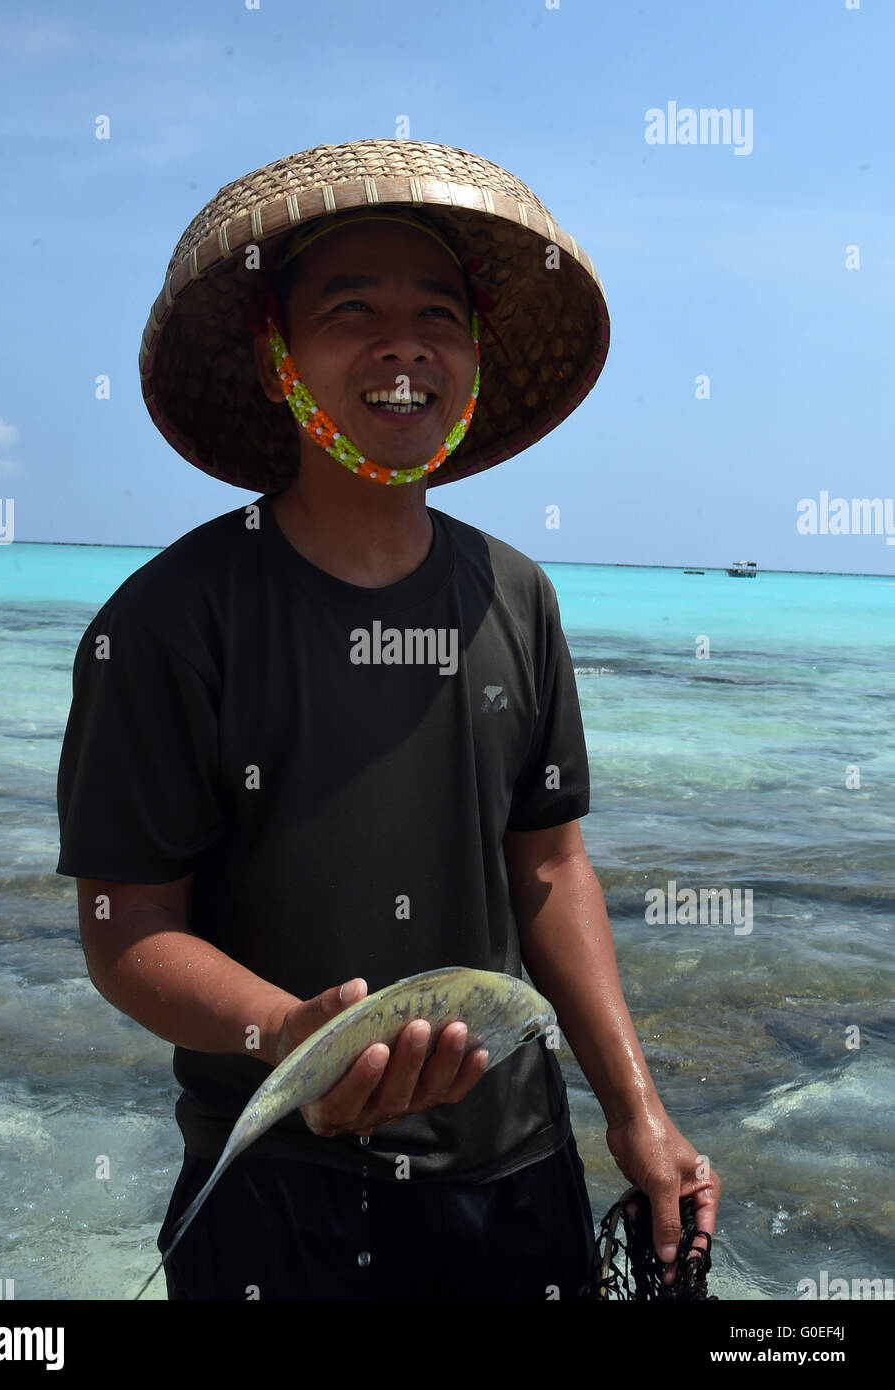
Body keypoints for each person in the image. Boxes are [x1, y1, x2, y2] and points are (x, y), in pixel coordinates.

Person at [55, 138, 720, 1300]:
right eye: (350, 309)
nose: (403, 344)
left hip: (519, 1177)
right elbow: (124, 923)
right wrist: (291, 1036)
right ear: (276, 359)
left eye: (438, 315)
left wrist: (637, 1110)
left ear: (473, 359)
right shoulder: (169, 619)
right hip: (277, 1188)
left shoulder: (516, 595)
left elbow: (552, 869)